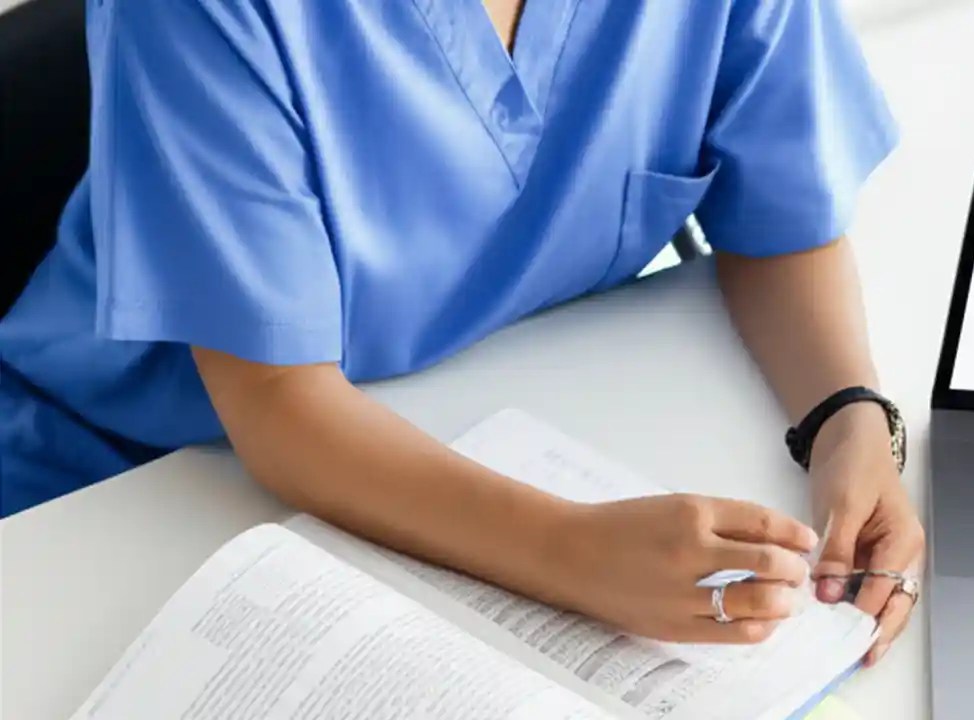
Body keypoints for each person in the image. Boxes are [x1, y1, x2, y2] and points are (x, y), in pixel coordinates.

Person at [0, 0, 924, 666]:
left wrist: (845, 412)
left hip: (475, 426)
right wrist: (573, 553)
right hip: (126, 473)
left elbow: (782, 225)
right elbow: (278, 402)